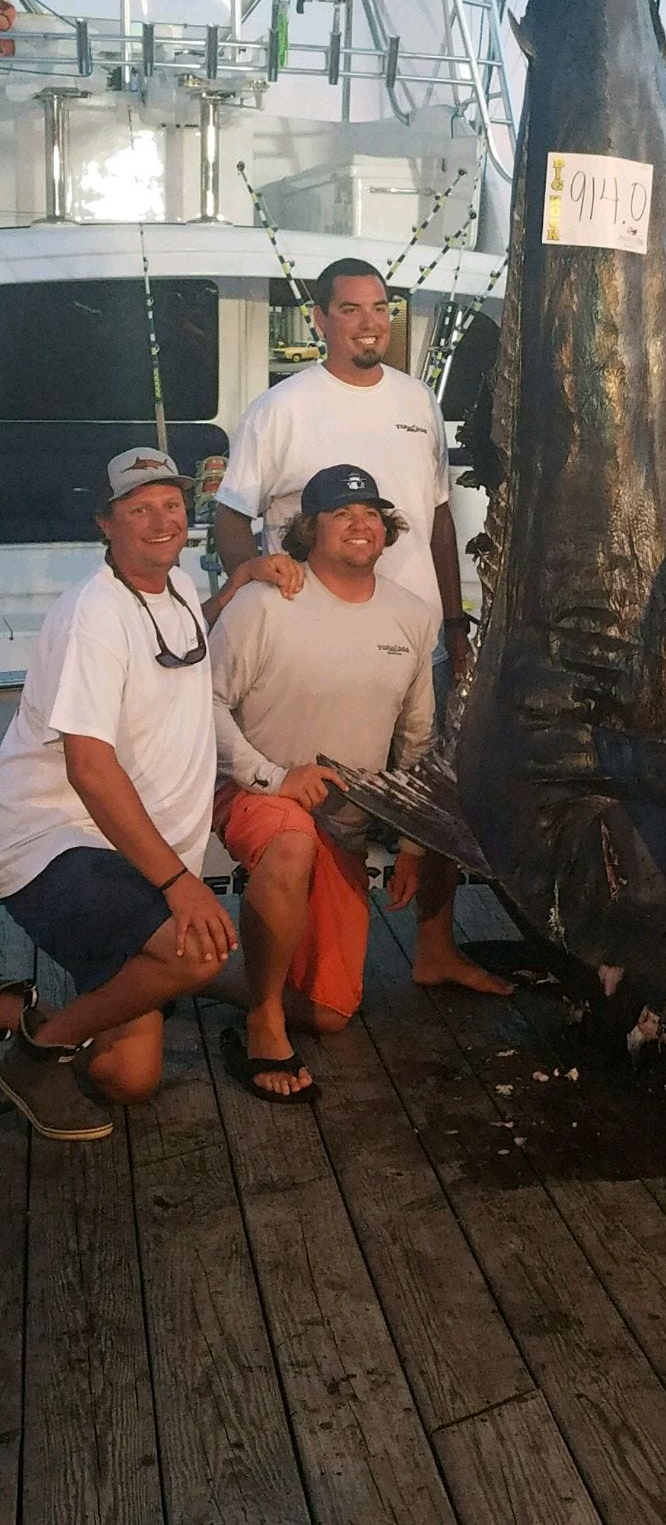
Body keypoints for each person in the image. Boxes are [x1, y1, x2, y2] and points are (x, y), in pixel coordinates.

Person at [0, 448, 294, 1141]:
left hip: (122, 852)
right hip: (54, 841)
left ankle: (19, 1010)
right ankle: (35, 1056)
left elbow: (186, 636)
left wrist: (243, 576)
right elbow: (89, 767)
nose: (162, 519)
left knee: (128, 1080)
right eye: (139, 508)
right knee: (197, 952)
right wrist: (178, 883)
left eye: (171, 503)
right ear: (106, 522)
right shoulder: (93, 616)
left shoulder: (181, 587)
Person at [210, 463, 509, 1101]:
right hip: (257, 795)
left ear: (388, 530)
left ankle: (184, 973)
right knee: (289, 841)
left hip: (344, 823)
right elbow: (203, 706)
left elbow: (418, 744)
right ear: (308, 532)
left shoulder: (413, 615)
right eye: (342, 514)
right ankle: (261, 1023)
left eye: (372, 513)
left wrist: (413, 844)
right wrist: (273, 778)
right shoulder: (263, 604)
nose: (360, 524)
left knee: (331, 1013)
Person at [214, 256, 470, 679]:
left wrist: (455, 623)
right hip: (314, 651)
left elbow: (439, 520)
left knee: (423, 747)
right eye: (350, 310)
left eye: (380, 308)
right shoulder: (280, 408)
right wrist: (258, 591)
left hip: (422, 647)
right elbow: (231, 516)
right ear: (320, 319)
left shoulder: (420, 401)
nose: (369, 323)